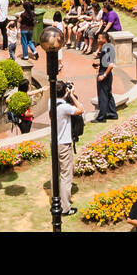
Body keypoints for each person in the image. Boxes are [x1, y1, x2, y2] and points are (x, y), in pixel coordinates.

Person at [54, 80, 84, 216]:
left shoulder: (51, 104)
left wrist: (66, 92)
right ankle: (65, 208)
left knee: (56, 173)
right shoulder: (64, 107)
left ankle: (55, 199)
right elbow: (81, 109)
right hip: (64, 144)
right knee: (66, 176)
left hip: (54, 143)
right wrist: (71, 95)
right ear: (65, 91)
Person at [94, 29, 117, 122]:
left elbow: (111, 64)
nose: (97, 40)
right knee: (108, 94)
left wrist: (103, 75)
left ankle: (101, 117)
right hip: (105, 72)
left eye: (99, 38)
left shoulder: (108, 48)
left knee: (102, 95)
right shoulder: (106, 47)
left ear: (104, 39)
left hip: (105, 74)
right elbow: (104, 61)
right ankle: (112, 113)